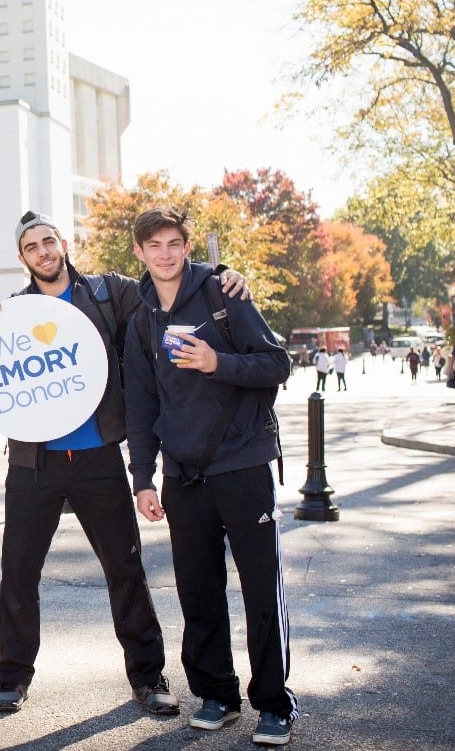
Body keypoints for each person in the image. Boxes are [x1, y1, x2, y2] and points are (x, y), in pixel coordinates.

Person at [0, 211, 248, 717]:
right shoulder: (11, 314)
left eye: (49, 240)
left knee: (125, 568)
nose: (44, 251)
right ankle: (12, 676)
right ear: (22, 258)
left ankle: (148, 676)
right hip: (35, 462)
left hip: (98, 454)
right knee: (17, 572)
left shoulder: (107, 293)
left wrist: (222, 272)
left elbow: (166, 281)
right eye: (32, 246)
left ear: (64, 243)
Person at [122, 207, 297, 747]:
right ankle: (217, 695)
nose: (165, 254)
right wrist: (143, 479)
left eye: (174, 243)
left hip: (242, 464)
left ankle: (274, 703)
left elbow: (277, 364)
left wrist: (216, 362)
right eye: (154, 245)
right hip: (183, 475)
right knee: (198, 592)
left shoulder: (225, 294)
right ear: (140, 253)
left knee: (260, 590)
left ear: (186, 246)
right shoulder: (142, 321)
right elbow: (141, 407)